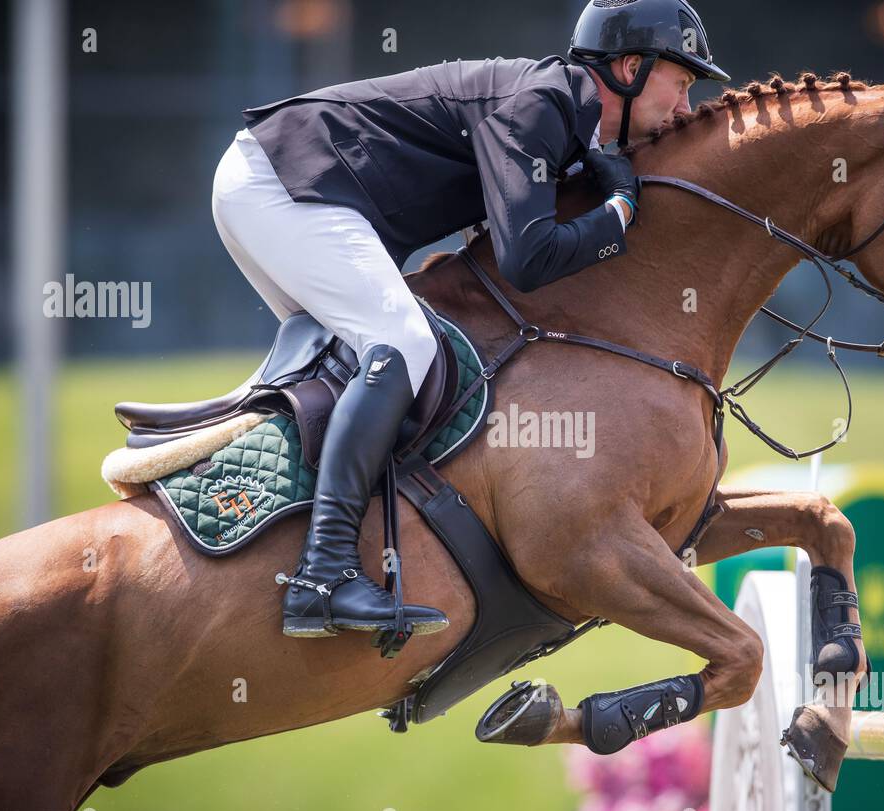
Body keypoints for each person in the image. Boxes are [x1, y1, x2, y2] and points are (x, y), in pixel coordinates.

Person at [210, 0, 729, 639]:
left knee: (374, 372)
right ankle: (323, 578)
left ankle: (316, 552)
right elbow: (528, 258)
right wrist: (620, 207)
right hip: (287, 183)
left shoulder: (563, 117)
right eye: (681, 82)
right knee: (400, 345)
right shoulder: (543, 105)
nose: (684, 107)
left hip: (283, 183)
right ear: (628, 67)